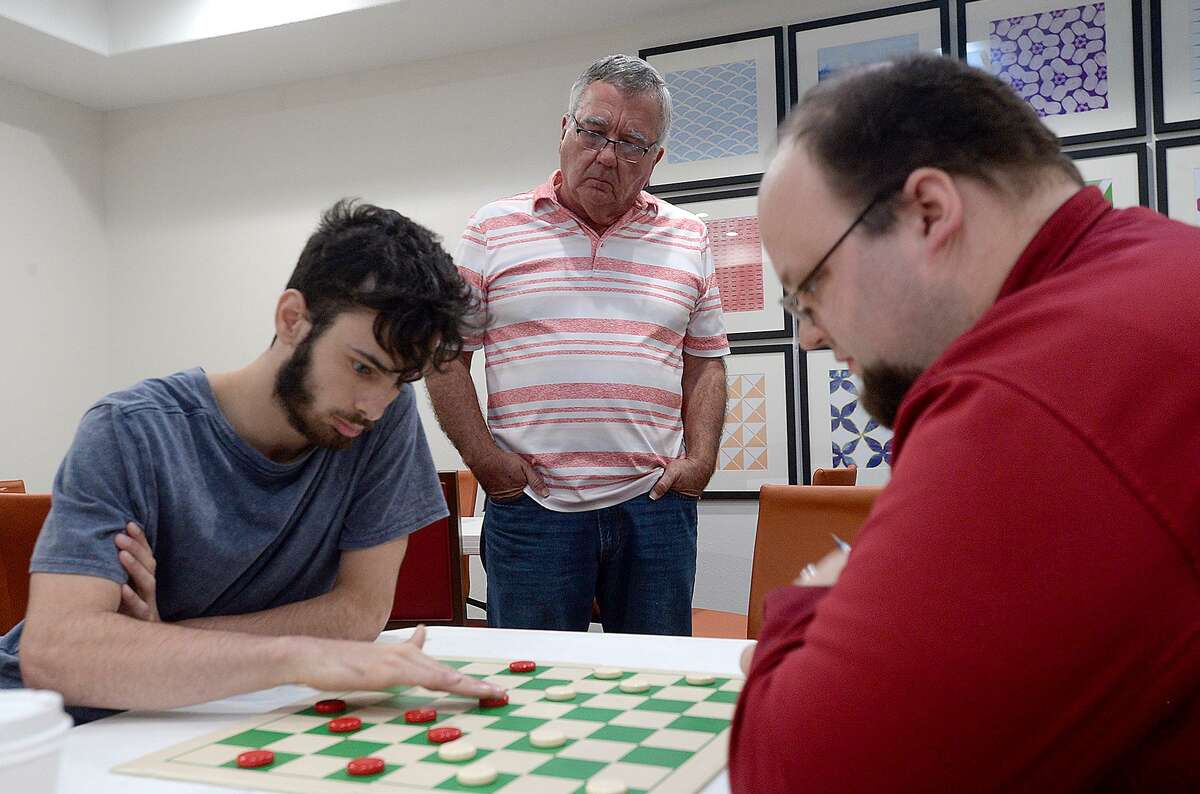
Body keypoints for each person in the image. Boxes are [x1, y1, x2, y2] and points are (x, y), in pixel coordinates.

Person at [730, 55, 1199, 791]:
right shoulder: (1156, 268)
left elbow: (796, 773)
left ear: (928, 212)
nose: (810, 336)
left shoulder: (1034, 392)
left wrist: (823, 591)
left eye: (809, 287)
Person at [1, 200, 503, 723]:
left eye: (400, 380)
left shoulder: (382, 418)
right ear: (292, 319)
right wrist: (299, 655)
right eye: (362, 367)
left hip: (220, 710)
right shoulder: (129, 429)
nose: (374, 405)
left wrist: (156, 641)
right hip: (55, 722)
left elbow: (359, 613)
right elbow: (58, 656)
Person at [425, 54, 729, 634]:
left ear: (655, 160)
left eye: (632, 143)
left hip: (654, 506)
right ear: (565, 129)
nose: (607, 155)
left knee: (657, 678)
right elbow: (443, 360)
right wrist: (486, 463)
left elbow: (706, 362)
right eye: (593, 131)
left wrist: (700, 463)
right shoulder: (492, 228)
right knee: (530, 676)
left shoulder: (689, 236)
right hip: (532, 507)